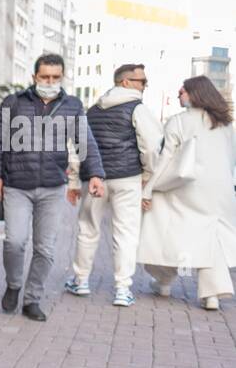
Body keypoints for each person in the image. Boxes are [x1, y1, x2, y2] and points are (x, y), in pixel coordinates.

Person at [0, 53, 105, 321]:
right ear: (34, 77)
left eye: (55, 77)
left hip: (52, 188)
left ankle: (32, 299)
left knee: (45, 249)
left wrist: (95, 173)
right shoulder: (14, 102)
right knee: (15, 242)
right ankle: (14, 285)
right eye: (45, 77)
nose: (50, 82)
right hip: (17, 185)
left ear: (62, 77)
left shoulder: (72, 105)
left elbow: (85, 142)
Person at [64, 63, 163, 307]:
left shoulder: (92, 111)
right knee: (125, 233)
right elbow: (150, 147)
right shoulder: (138, 109)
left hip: (94, 178)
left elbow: (77, 148)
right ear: (125, 82)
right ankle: (122, 289)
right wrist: (148, 174)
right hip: (128, 178)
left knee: (88, 229)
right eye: (142, 81)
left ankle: (81, 280)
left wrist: (74, 181)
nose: (145, 85)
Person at [138, 75, 236, 310]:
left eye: (182, 91)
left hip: (186, 187)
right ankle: (211, 294)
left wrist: (148, 190)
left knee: (163, 224)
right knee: (210, 235)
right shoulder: (225, 123)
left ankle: (163, 278)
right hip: (219, 189)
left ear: (195, 94)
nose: (178, 94)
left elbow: (165, 160)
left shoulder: (178, 121)